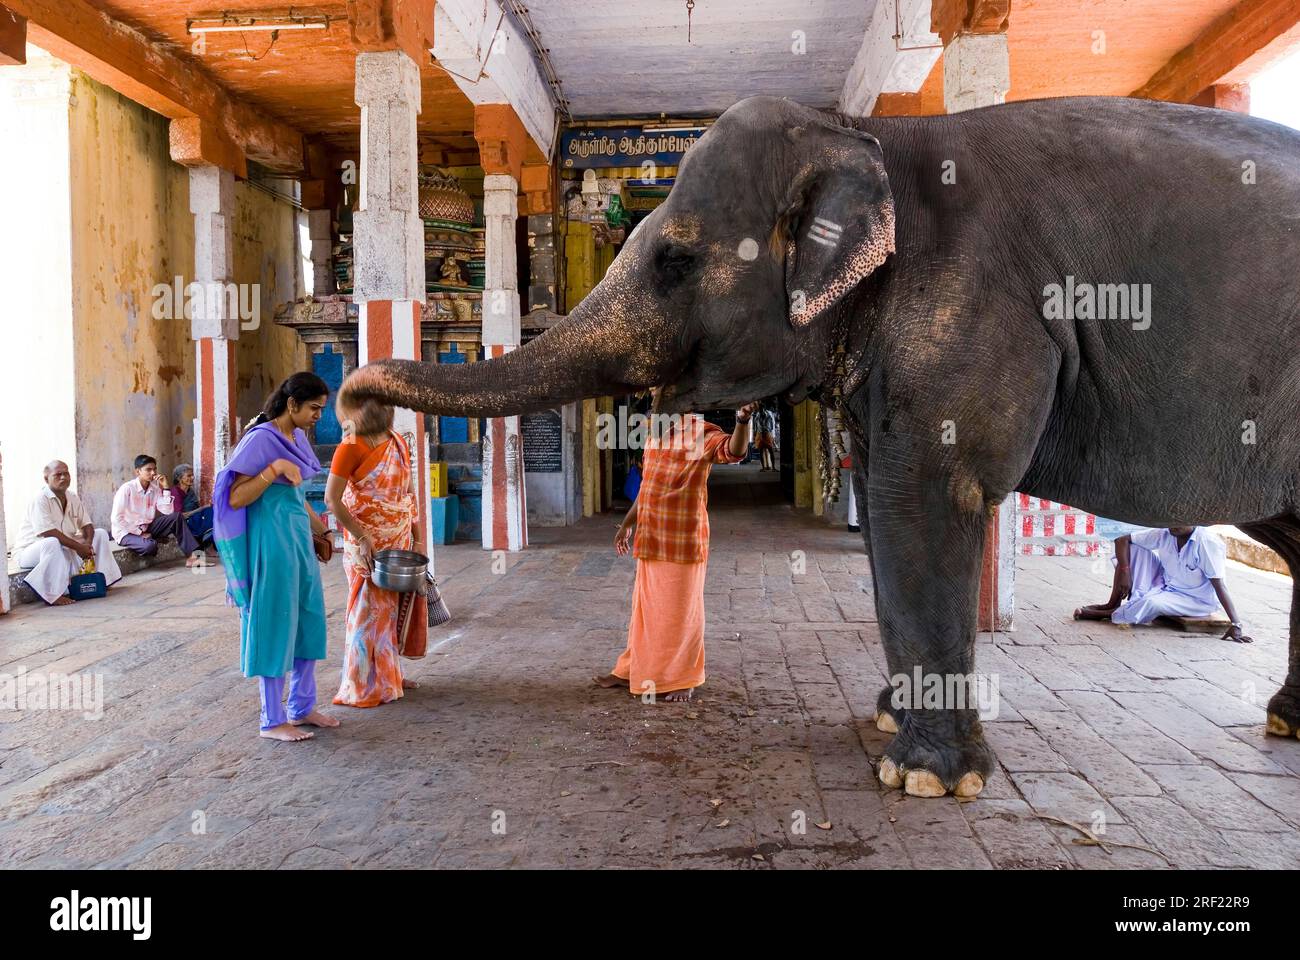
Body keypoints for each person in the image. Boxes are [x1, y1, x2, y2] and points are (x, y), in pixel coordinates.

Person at [594, 400, 757, 702]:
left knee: (679, 614)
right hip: (651, 536)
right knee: (644, 611)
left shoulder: (698, 432)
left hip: (682, 539)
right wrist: (627, 524)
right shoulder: (655, 434)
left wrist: (742, 421)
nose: (653, 406)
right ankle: (632, 668)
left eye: (660, 399)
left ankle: (683, 678)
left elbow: (733, 452)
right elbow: (647, 486)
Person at [214, 372, 339, 742]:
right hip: (271, 546)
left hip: (298, 543)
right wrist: (272, 470)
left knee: (308, 620)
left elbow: (297, 499)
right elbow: (234, 497)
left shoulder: (297, 438)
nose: (319, 415)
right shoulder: (260, 440)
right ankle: (272, 719)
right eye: (314, 408)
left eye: (321, 409)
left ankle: (302, 707)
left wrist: (323, 532)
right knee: (274, 624)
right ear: (291, 404)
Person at [325, 399, 426, 709]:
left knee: (391, 608)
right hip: (365, 543)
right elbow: (332, 499)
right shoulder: (350, 445)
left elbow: (409, 493)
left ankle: (388, 674)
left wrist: (418, 537)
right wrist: (362, 536)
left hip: (398, 536)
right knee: (366, 611)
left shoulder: (396, 441)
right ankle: (363, 683)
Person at [1074, 525, 1252, 643]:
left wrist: (1236, 625)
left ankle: (1107, 614)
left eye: (1178, 520)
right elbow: (1121, 540)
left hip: (1194, 600)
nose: (1172, 524)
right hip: (1166, 583)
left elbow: (1219, 585)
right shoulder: (1167, 532)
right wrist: (1126, 571)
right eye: (1170, 519)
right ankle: (1112, 603)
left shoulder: (1206, 543)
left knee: (1152, 603)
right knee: (1132, 549)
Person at [14, 460, 122, 606]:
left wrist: (87, 546)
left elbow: (87, 525)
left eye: (66, 473)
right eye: (58, 475)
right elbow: (48, 533)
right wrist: (79, 548)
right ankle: (53, 594)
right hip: (31, 550)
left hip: (62, 544)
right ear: (47, 479)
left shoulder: (72, 496)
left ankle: (102, 581)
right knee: (52, 542)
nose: (63, 477)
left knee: (100, 533)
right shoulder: (40, 499)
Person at [111, 454, 202, 567]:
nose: (153, 473)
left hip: (146, 527)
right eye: (148, 470)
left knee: (177, 517)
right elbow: (116, 519)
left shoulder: (155, 489)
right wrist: (140, 533)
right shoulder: (127, 489)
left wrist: (166, 488)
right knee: (150, 547)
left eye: (154, 469)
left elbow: (168, 511)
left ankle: (192, 558)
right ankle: (153, 540)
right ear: (138, 471)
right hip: (125, 531)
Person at [169, 464, 215, 554]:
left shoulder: (190, 492)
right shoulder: (175, 492)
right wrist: (202, 508)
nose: (192, 478)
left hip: (193, 519)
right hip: (183, 523)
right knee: (210, 513)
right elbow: (179, 516)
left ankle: (209, 545)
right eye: (189, 476)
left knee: (214, 512)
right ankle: (207, 546)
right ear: (179, 478)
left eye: (192, 475)